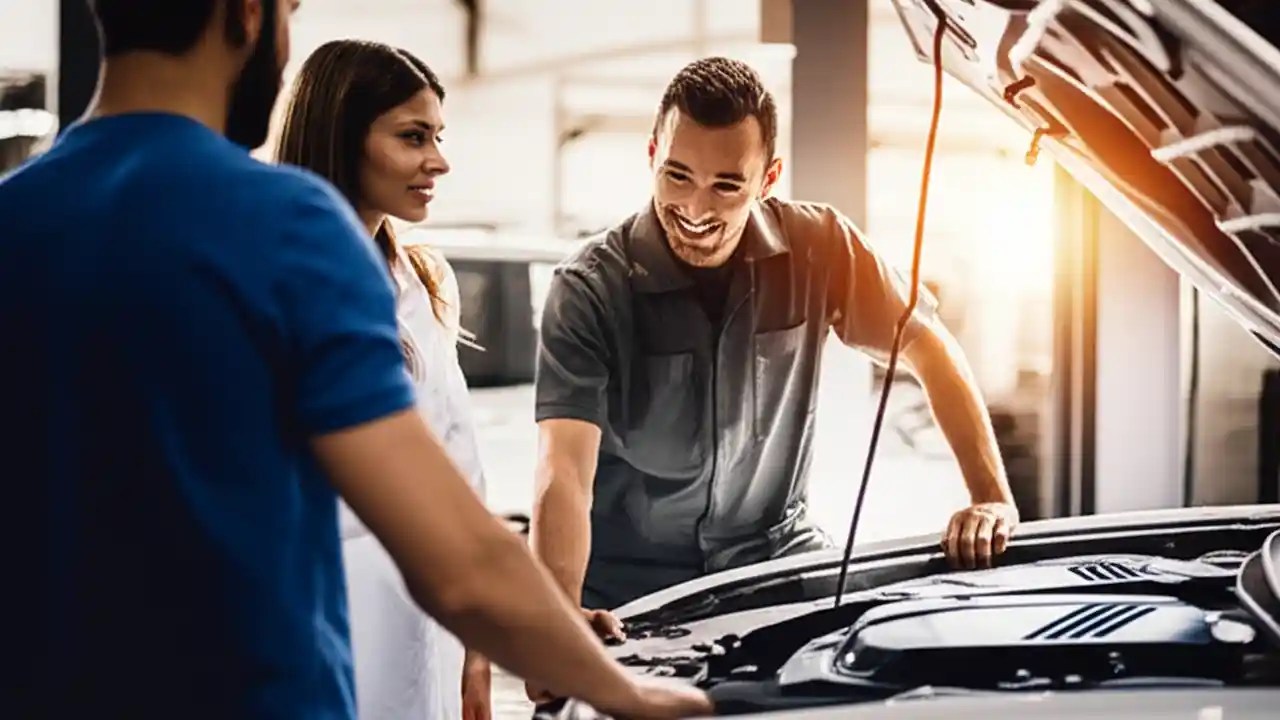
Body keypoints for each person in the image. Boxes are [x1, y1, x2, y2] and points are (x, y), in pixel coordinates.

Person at [0, 2, 712, 718]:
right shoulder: (286, 226)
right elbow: (458, 557)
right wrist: (626, 693)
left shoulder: (16, 218)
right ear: (247, 13)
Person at [531, 57, 1020, 628]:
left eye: (727, 185)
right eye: (677, 175)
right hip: (632, 593)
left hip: (774, 565)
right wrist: (558, 616)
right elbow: (562, 467)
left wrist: (991, 496)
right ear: (651, 156)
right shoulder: (588, 288)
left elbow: (929, 348)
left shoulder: (820, 246)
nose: (695, 208)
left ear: (768, 178)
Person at [274, 40, 489, 720]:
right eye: (413, 137)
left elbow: (461, 460)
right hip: (320, 613)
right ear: (342, 134)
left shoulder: (423, 279)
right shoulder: (275, 275)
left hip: (429, 616)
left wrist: (478, 642)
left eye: (439, 136)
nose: (439, 160)